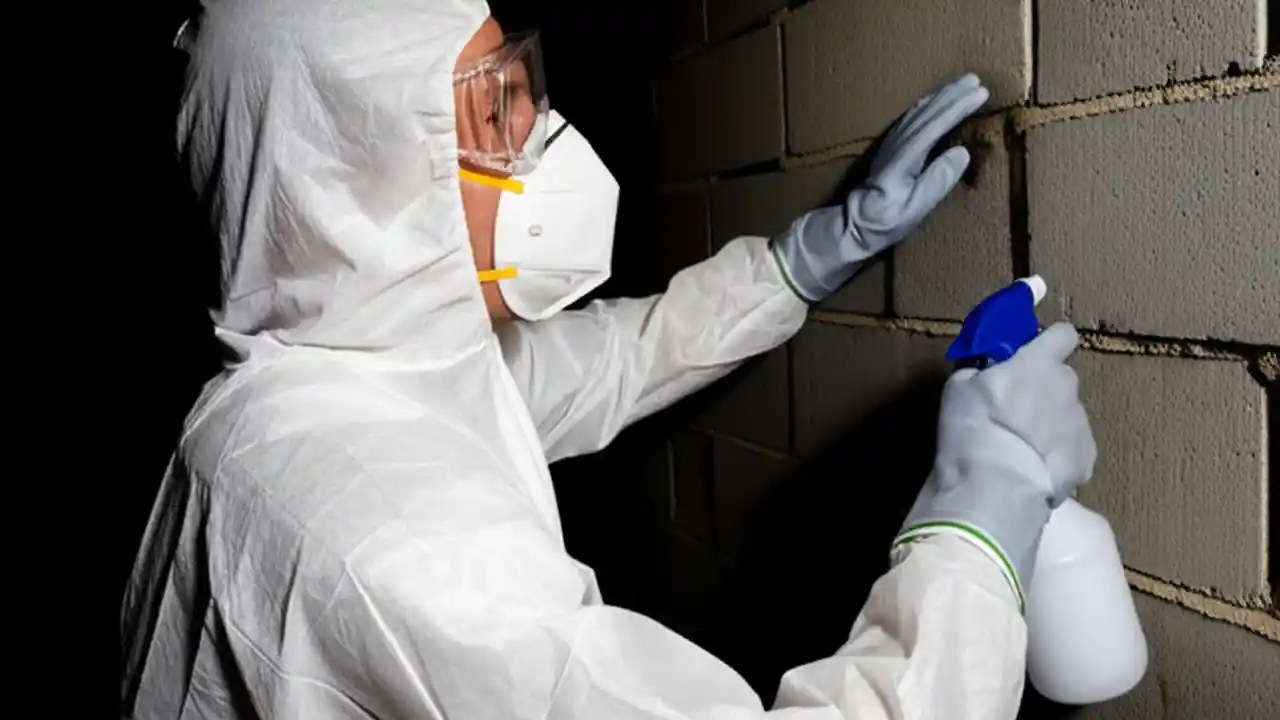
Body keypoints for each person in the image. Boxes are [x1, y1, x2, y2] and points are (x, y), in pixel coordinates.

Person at [121, 1, 1096, 718]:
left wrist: (805, 258)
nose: (540, 143)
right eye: (488, 115)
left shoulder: (345, 381)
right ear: (349, 189)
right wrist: (973, 544)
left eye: (518, 92)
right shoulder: (391, 538)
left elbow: (615, 358)